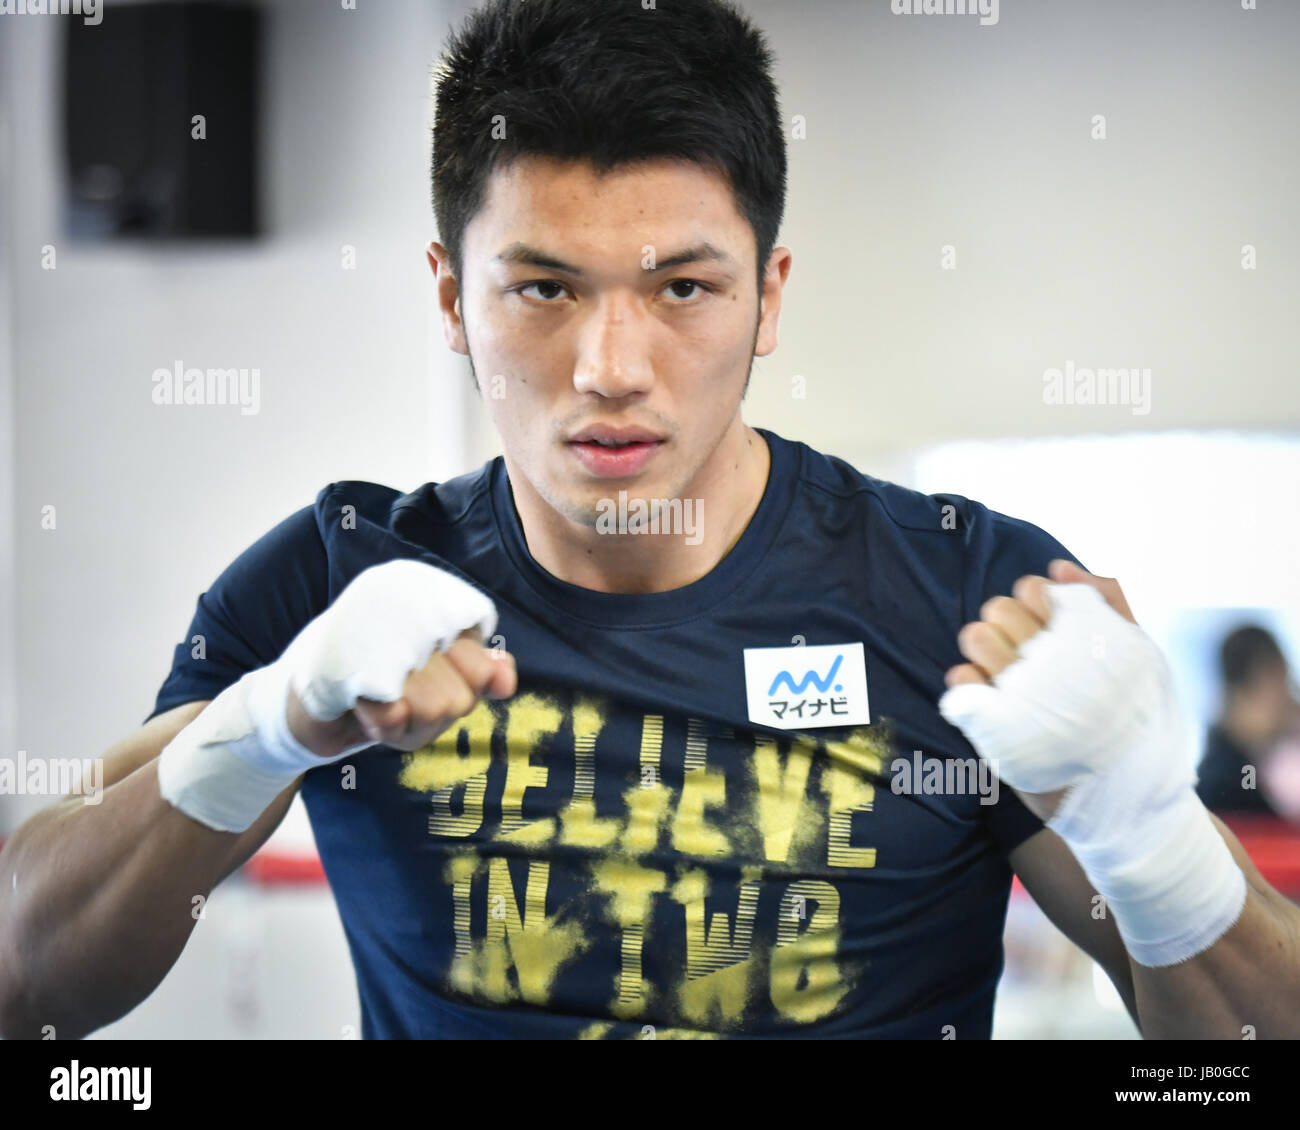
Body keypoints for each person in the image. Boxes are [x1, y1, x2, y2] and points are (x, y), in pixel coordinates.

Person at [2, 0, 1296, 1042]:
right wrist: (261, 724)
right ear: (451, 297)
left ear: (768, 295)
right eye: (544, 287)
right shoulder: (337, 580)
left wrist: (1145, 826)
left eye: (683, 285)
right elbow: (24, 974)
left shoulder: (968, 595)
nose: (612, 363)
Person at [1197, 625, 1300, 819]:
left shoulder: (1248, 765)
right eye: (1285, 682)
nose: (1291, 699)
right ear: (1266, 677)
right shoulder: (1226, 785)